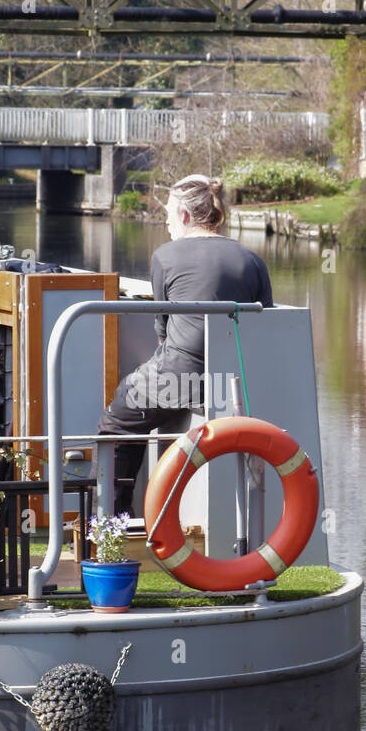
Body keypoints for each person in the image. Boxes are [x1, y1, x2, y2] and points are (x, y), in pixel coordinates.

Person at [97, 174, 274, 514]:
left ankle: (110, 523)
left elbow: (162, 328)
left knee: (116, 422)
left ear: (185, 216)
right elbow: (260, 328)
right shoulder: (253, 260)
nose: (165, 222)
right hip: (231, 384)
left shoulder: (165, 255)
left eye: (168, 214)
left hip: (178, 379)